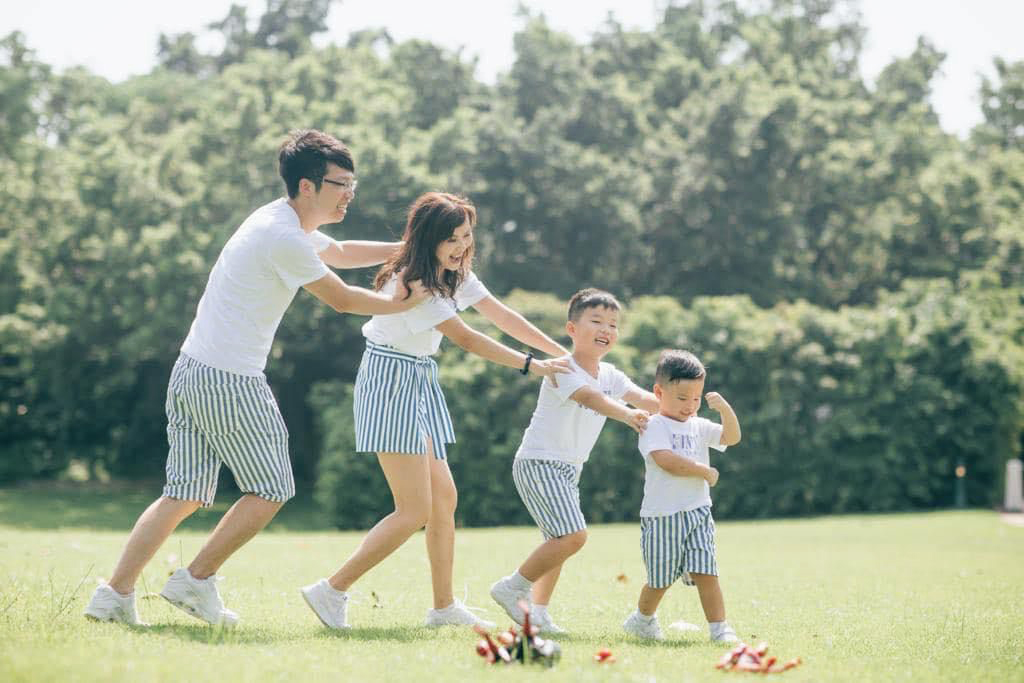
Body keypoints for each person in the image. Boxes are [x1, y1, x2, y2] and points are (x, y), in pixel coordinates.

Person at [84, 129, 425, 627]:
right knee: (271, 487)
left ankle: (113, 595)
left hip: (193, 371)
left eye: (353, 183)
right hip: (230, 379)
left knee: (183, 493)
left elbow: (343, 252)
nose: (350, 193)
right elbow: (343, 298)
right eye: (340, 184)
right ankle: (195, 580)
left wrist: (408, 248)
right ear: (307, 185)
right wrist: (405, 302)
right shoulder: (282, 236)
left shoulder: (280, 219)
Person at [300, 191, 570, 629]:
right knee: (414, 510)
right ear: (428, 239)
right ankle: (331, 589)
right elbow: (467, 338)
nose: (462, 247)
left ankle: (443, 608)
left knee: (443, 500)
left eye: (467, 237)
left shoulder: (452, 273)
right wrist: (532, 365)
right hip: (391, 382)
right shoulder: (415, 282)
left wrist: (565, 355)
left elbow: (499, 315)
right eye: (453, 240)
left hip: (418, 379)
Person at [488, 288, 657, 634]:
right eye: (596, 321)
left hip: (568, 467)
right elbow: (592, 399)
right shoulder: (561, 368)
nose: (606, 329)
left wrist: (680, 406)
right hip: (540, 463)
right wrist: (628, 416)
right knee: (573, 536)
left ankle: (538, 611)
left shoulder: (611, 374)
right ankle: (512, 587)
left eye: (613, 324)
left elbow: (644, 398)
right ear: (572, 329)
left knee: (558, 541)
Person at [621, 349, 742, 643]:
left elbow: (731, 437)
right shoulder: (652, 424)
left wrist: (725, 409)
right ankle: (642, 619)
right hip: (662, 516)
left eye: (696, 398)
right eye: (682, 398)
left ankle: (719, 629)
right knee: (660, 580)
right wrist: (703, 470)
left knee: (706, 570)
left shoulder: (698, 425)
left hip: (698, 512)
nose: (690, 406)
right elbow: (665, 460)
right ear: (659, 392)